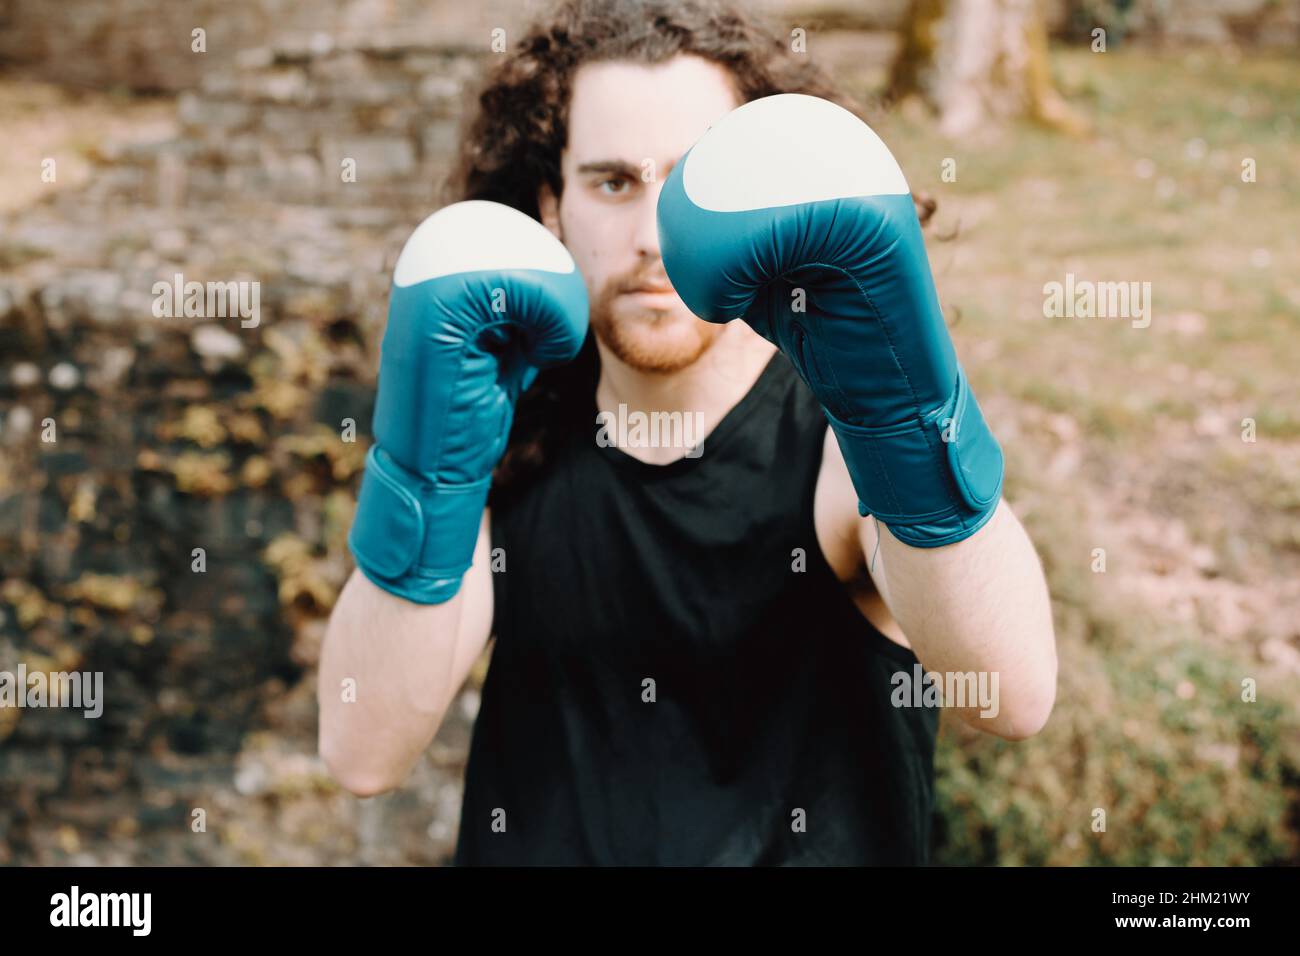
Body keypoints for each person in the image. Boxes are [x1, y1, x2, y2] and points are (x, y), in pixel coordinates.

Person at [318, 0, 1058, 866]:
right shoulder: (503, 436)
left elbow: (1015, 695)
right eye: (612, 182)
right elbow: (360, 750)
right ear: (551, 204)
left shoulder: (838, 447)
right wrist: (427, 476)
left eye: (690, 185)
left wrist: (904, 419)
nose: (650, 238)